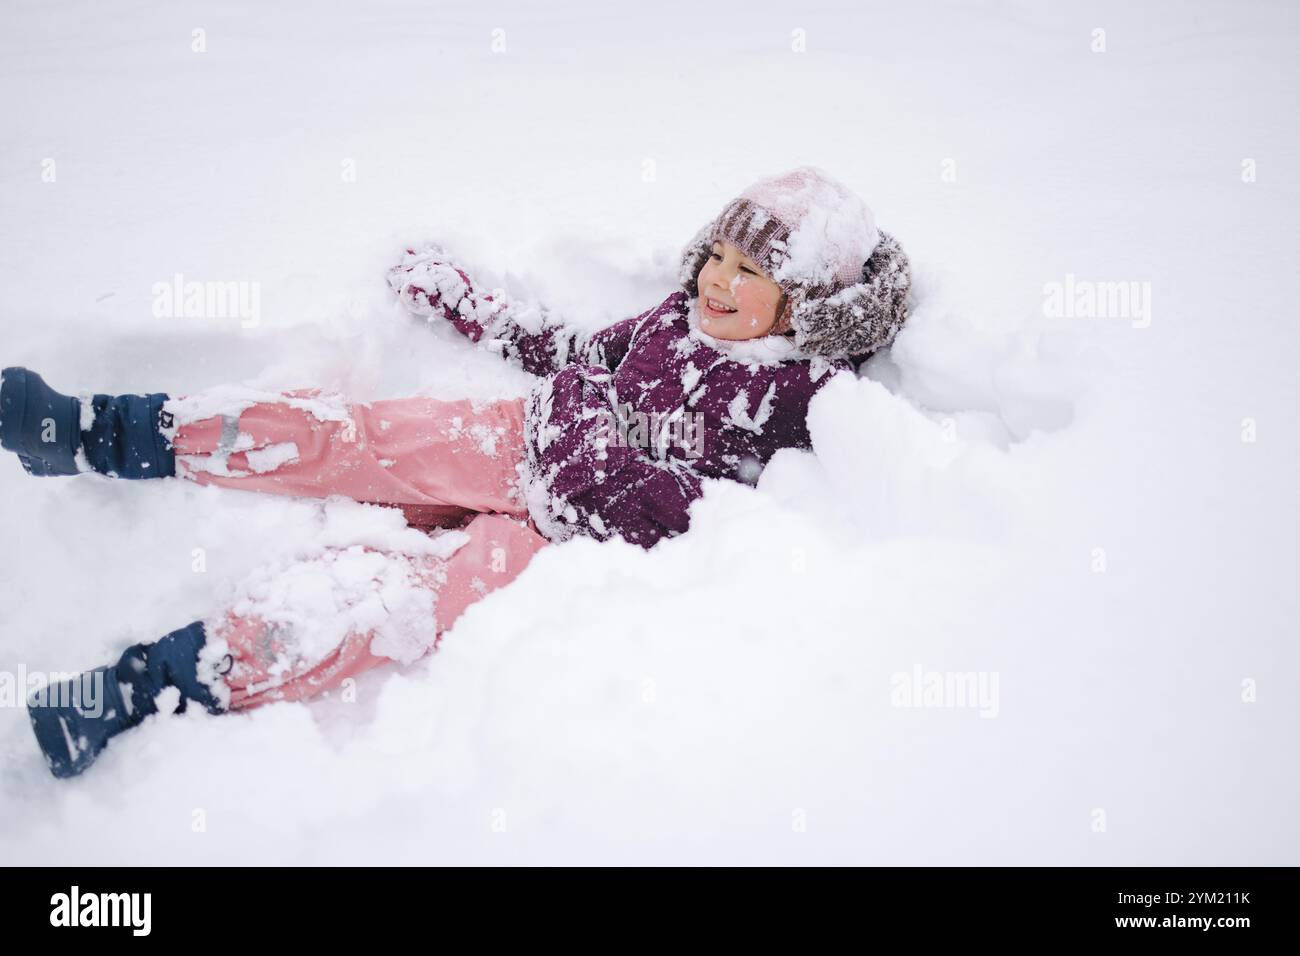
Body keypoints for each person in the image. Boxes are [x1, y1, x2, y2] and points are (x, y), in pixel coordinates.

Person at [1, 165, 911, 777]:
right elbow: (570, 351)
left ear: (809, 298)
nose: (716, 281)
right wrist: (470, 310)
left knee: (379, 599)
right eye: (716, 254)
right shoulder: (672, 321)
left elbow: (736, 522)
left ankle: (138, 688)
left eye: (750, 269)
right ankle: (98, 433)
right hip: (515, 436)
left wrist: (615, 477)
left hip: (553, 541)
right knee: (339, 436)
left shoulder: (795, 397)